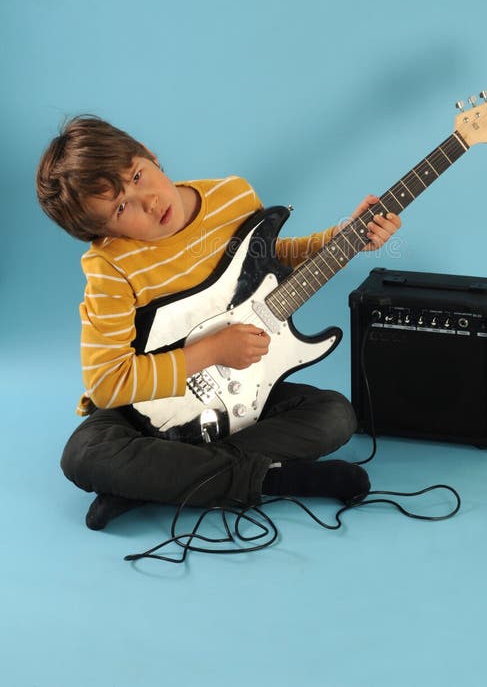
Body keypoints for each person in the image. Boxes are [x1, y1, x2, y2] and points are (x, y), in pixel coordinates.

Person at [36, 115, 400, 530]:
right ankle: (271, 478)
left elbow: (269, 263)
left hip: (241, 397)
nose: (149, 202)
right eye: (121, 208)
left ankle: (153, 483)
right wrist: (211, 351)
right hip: (142, 415)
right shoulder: (109, 266)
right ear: (101, 232)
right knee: (85, 453)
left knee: (336, 414)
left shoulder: (231, 196)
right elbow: (107, 382)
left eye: (137, 176)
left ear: (151, 156)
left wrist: (345, 235)